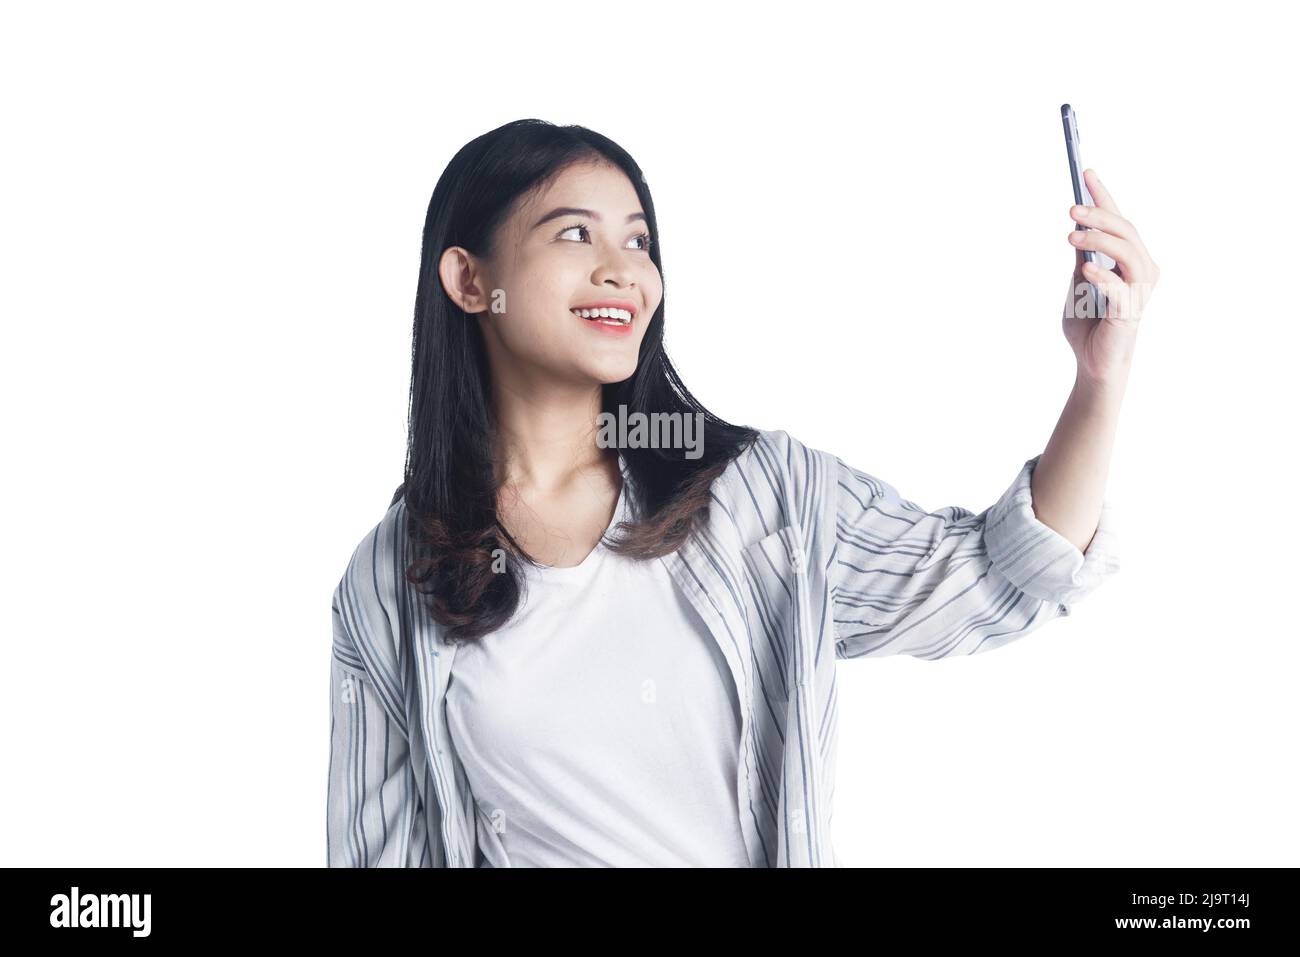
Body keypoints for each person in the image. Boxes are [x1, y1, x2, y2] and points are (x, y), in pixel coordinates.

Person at [326, 119, 1157, 868]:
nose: (624, 271)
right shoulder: (393, 576)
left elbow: (1000, 573)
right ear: (471, 280)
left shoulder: (764, 499)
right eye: (575, 234)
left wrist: (1098, 376)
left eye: (639, 240)